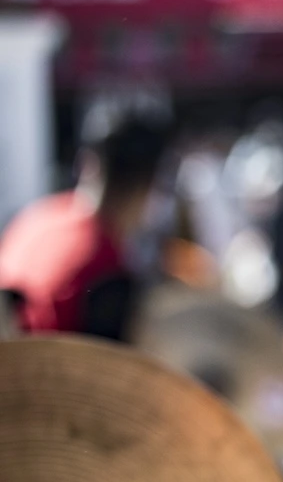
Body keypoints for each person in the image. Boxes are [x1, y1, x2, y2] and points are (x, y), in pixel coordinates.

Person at [0, 113, 171, 340]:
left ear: (87, 166)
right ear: (147, 187)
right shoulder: (105, 262)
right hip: (56, 370)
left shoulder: (37, 216)